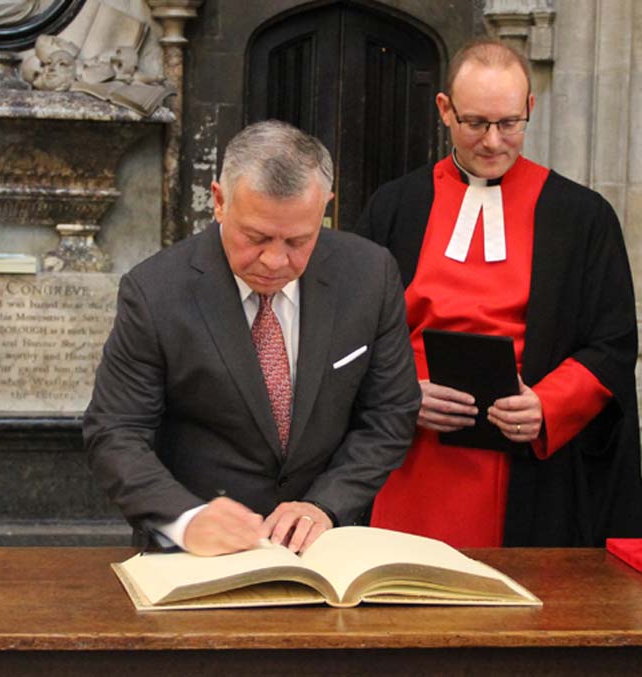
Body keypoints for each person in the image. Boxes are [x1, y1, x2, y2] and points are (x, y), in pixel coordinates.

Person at [350, 38, 642, 547]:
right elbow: (346, 335)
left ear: (530, 108)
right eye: (476, 123)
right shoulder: (394, 207)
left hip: (530, 467)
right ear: (444, 110)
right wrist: (400, 395)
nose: (492, 142)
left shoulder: (582, 216)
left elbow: (613, 342)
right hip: (411, 459)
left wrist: (547, 406)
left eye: (509, 124)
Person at [83, 121, 420, 557]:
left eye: (298, 240)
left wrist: (326, 504)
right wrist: (185, 518)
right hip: (195, 555)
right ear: (219, 201)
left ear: (326, 209)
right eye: (256, 237)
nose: (275, 260)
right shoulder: (155, 292)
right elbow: (115, 430)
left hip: (326, 547)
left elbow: (391, 411)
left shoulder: (370, 274)